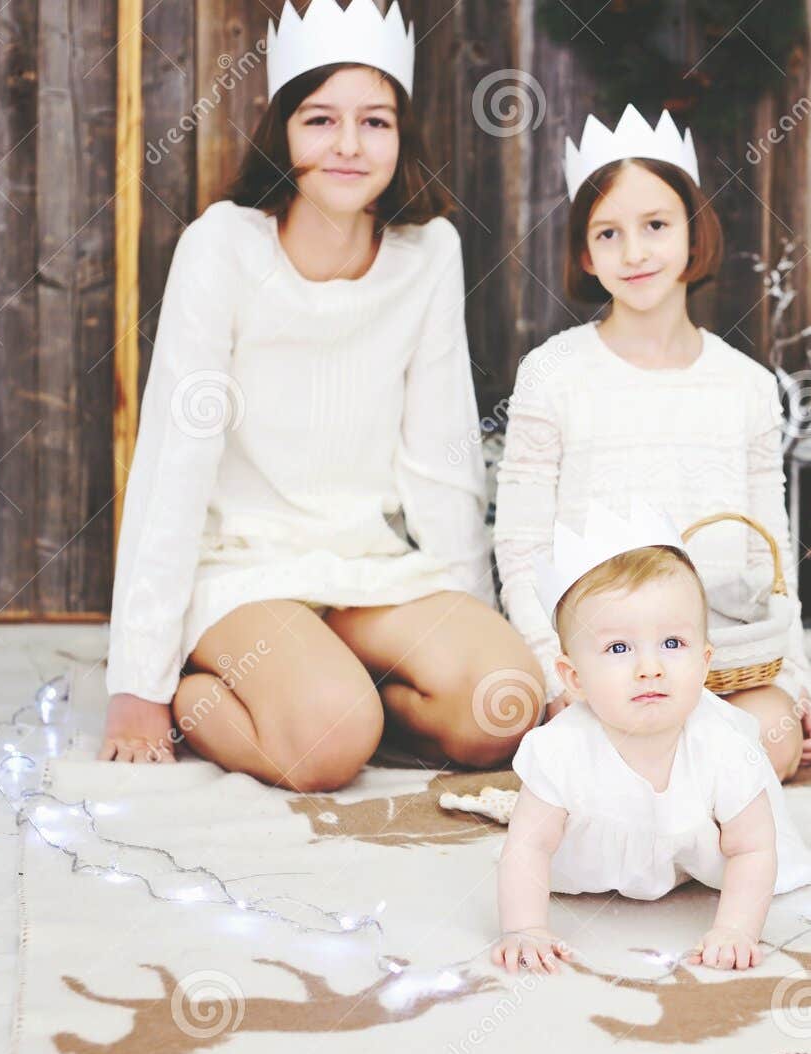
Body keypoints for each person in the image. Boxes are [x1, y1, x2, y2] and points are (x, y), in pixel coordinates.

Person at [99, 0, 540, 788]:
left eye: (375, 122)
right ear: (283, 131)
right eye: (320, 120)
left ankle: (346, 690)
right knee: (331, 743)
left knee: (502, 705)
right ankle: (217, 694)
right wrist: (140, 679)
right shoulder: (222, 247)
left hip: (369, 567)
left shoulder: (428, 252)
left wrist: (471, 613)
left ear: (402, 136)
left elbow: (440, 452)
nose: (348, 145)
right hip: (246, 568)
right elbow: (174, 463)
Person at [493, 106, 811, 783]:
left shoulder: (747, 385)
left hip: (719, 663)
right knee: (600, 744)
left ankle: (673, 773)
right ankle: (658, 773)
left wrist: (794, 677)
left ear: (694, 232)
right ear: (585, 254)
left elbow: (769, 553)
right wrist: (553, 671)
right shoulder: (552, 374)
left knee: (773, 740)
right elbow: (522, 549)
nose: (635, 253)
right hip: (598, 668)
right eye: (608, 233)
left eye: (656, 226)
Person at [491, 502, 811, 974]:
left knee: (753, 828)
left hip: (694, 858)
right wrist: (525, 927)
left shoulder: (723, 745)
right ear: (573, 678)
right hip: (589, 866)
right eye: (618, 647)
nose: (649, 667)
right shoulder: (561, 750)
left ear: (705, 661)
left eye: (673, 644)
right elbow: (528, 848)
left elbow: (753, 847)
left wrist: (736, 929)